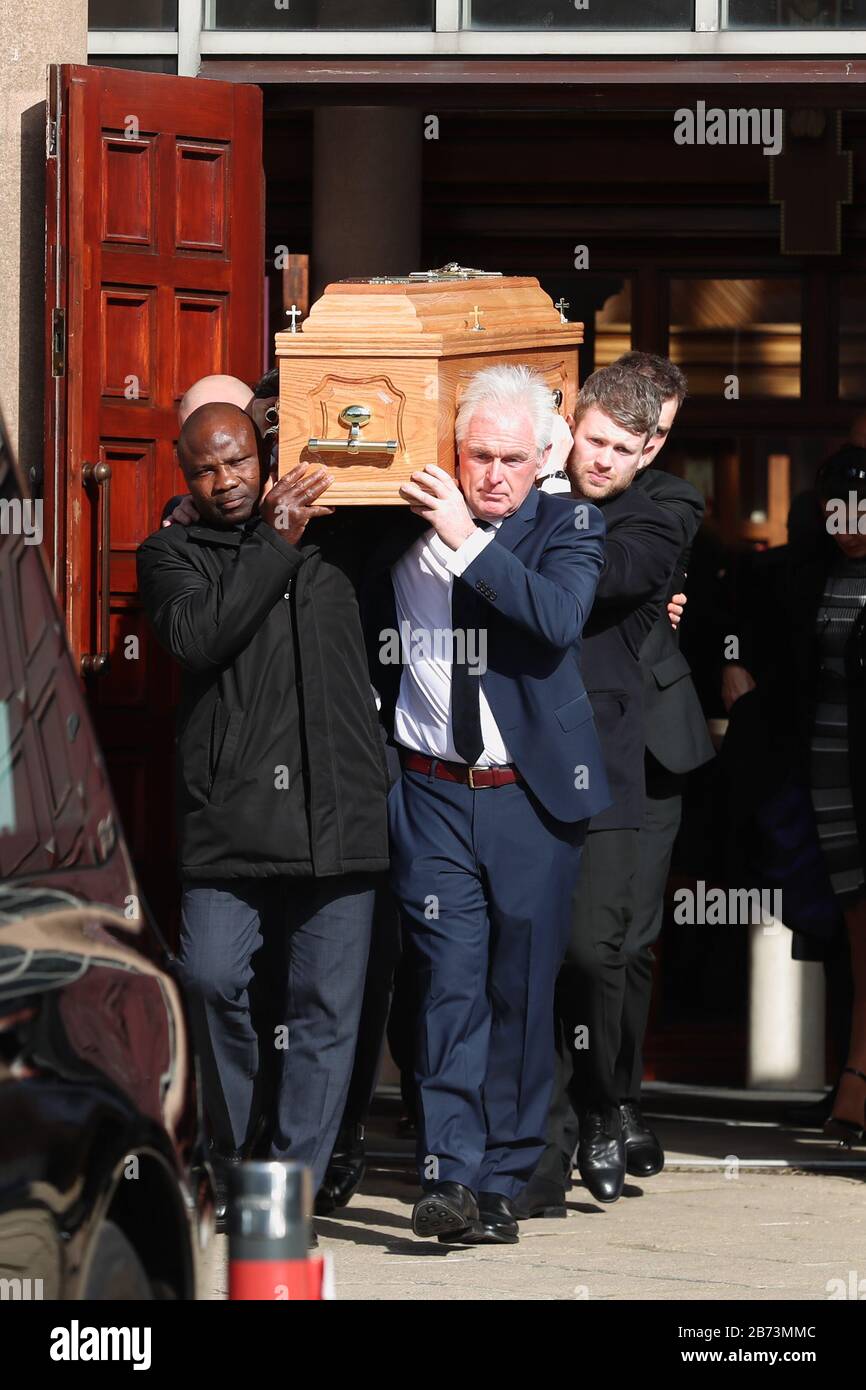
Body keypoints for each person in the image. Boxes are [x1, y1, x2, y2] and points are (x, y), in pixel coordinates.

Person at [364, 364, 611, 1245]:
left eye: (513, 458)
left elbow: (556, 618)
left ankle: (506, 1178)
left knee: (520, 988)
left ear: (545, 456)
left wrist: (469, 539)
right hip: (429, 790)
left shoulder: (569, 524)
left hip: (529, 802)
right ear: (453, 450)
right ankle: (450, 1175)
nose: (495, 474)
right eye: (478, 456)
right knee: (448, 983)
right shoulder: (399, 520)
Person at [137, 403, 390, 1233]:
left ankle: (287, 1192)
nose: (227, 481)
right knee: (210, 976)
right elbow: (200, 637)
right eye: (207, 470)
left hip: (339, 809)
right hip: (229, 816)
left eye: (240, 461)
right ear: (188, 479)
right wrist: (274, 539)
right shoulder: (172, 553)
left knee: (326, 1007)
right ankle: (233, 1159)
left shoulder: (340, 538)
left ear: (264, 454)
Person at [517, 363, 688, 1215]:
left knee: (597, 951)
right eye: (593, 442)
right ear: (569, 426)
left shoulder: (652, 524)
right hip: (515, 759)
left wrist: (536, 503)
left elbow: (591, 577)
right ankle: (545, 1147)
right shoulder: (528, 484)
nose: (604, 461)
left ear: (646, 450)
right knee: (532, 960)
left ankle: (606, 1099)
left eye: (624, 450)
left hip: (611, 769)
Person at [725, 445, 866, 1144]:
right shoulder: (802, 575)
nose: (850, 524)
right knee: (842, 933)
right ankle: (849, 1080)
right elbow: (757, 644)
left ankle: (855, 1084)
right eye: (838, 510)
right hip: (823, 775)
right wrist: (735, 665)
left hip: (855, 771)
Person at [613, 352, 715, 1177]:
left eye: (662, 432)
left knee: (632, 938)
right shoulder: (552, 483)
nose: (647, 444)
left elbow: (646, 560)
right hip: (564, 737)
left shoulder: (672, 496)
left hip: (650, 739)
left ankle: (618, 1102)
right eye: (633, 428)